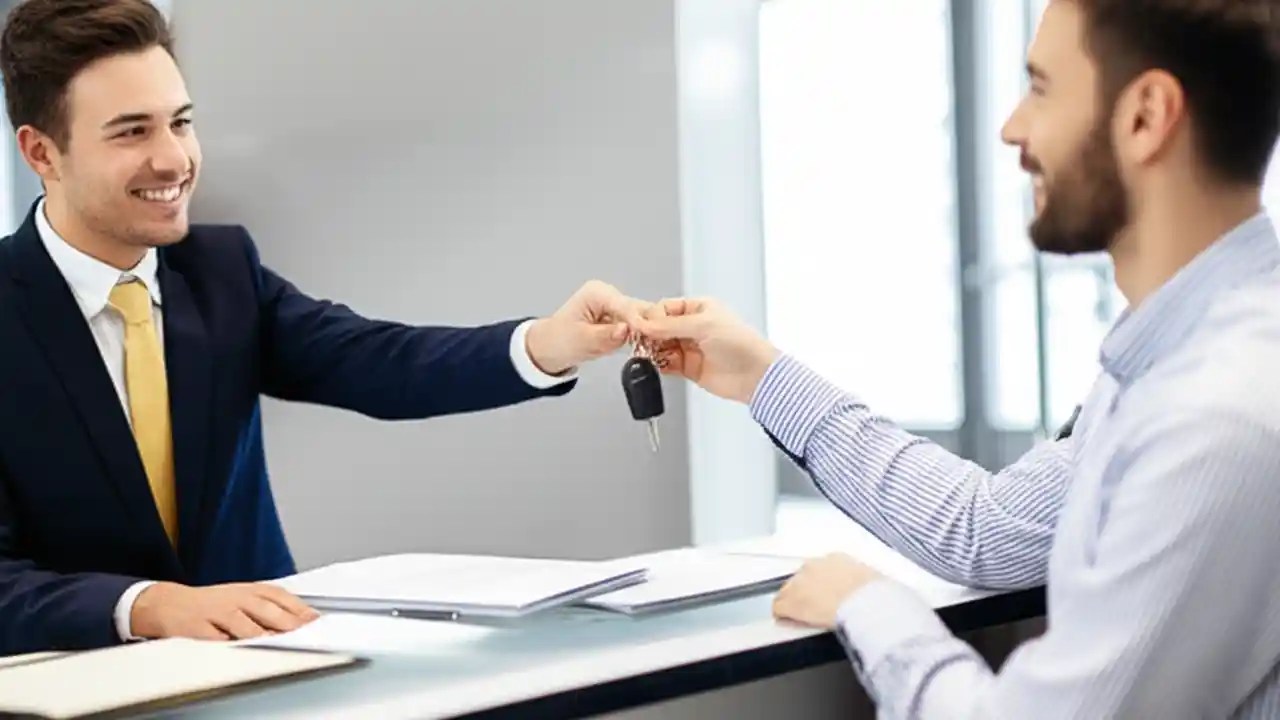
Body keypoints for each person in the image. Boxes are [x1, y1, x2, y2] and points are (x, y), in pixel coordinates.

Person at [636, 0, 1280, 716]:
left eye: (1041, 88)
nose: (1012, 128)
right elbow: (990, 529)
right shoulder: (1171, 359)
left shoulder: (1219, 416)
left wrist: (876, 611)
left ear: (1146, 115)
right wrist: (760, 375)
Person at [0, 0, 648, 655]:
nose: (174, 160)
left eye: (181, 122)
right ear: (41, 153)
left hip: (268, 677)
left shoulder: (220, 269)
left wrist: (547, 344)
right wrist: (149, 606)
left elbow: (380, 362)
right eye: (132, 132)